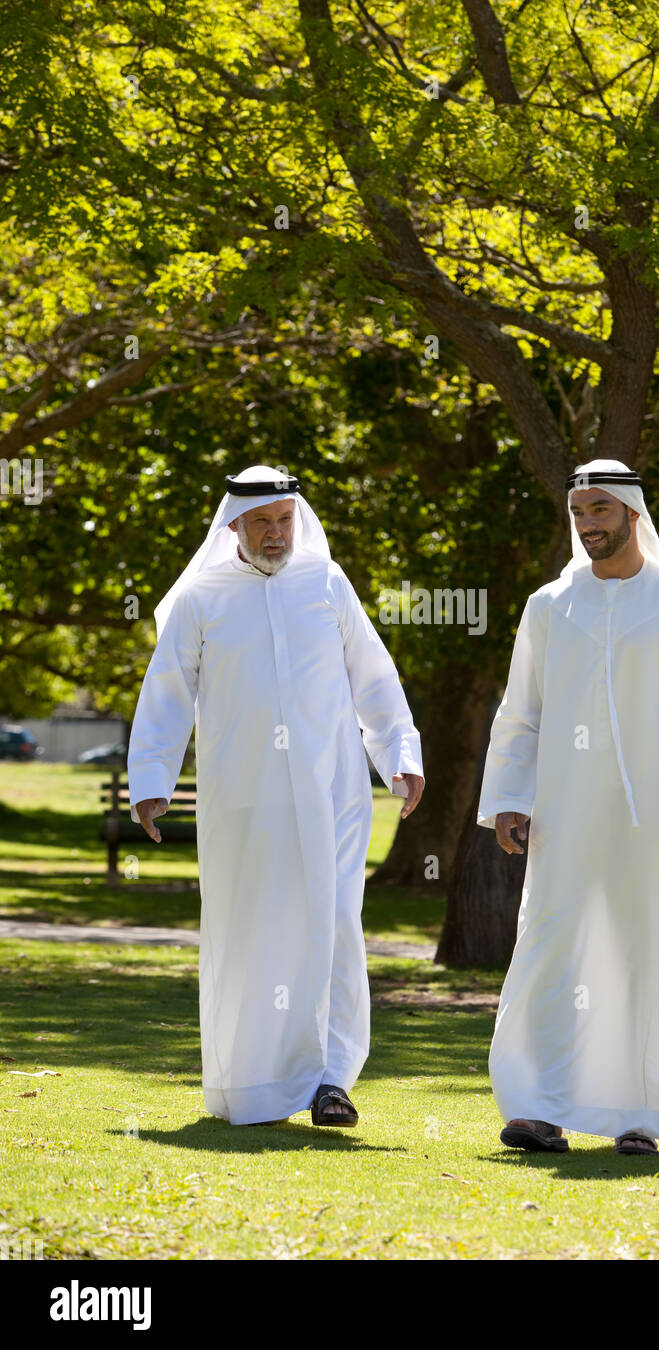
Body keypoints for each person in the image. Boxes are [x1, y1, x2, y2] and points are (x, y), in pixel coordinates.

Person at [127, 465, 424, 1127]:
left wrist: (400, 757)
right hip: (243, 801)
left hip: (332, 795)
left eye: (284, 520)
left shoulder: (327, 583)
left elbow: (373, 676)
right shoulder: (202, 599)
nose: (275, 533)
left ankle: (330, 1080)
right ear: (234, 523)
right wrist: (151, 781)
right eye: (262, 522)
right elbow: (166, 694)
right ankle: (256, 1083)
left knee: (334, 925)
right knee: (251, 930)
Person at [478, 459, 659, 1156]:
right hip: (563, 814)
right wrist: (507, 796)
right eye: (579, 513)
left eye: (600, 510)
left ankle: (641, 1119)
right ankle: (536, 1109)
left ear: (631, 513)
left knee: (645, 954)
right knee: (551, 946)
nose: (589, 524)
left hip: (657, 820)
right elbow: (521, 712)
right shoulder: (550, 605)